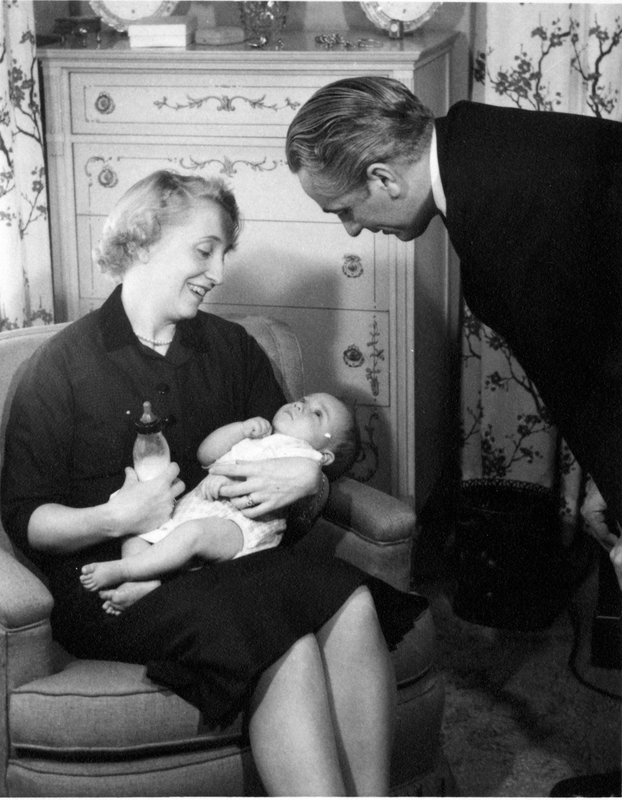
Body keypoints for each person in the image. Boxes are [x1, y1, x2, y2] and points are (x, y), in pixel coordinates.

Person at [1, 169, 424, 796]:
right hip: (117, 581)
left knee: (355, 602)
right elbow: (25, 516)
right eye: (204, 251)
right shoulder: (60, 366)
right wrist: (114, 519)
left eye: (225, 253)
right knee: (286, 636)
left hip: (239, 558)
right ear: (141, 242)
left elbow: (293, 462)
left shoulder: (233, 349)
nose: (219, 273)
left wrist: (308, 479)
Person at [286, 75, 622, 797]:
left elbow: (598, 367)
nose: (349, 229)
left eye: (343, 210)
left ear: (381, 175)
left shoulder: (508, 203)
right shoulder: (473, 146)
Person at [79, 393, 359, 606]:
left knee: (193, 534)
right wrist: (240, 429)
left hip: (239, 528)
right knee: (138, 531)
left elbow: (270, 484)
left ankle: (124, 570)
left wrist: (226, 482)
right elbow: (206, 455)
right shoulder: (259, 435)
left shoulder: (304, 456)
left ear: (326, 455)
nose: (301, 406)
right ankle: (145, 582)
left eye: (317, 414)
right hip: (189, 513)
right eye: (302, 400)